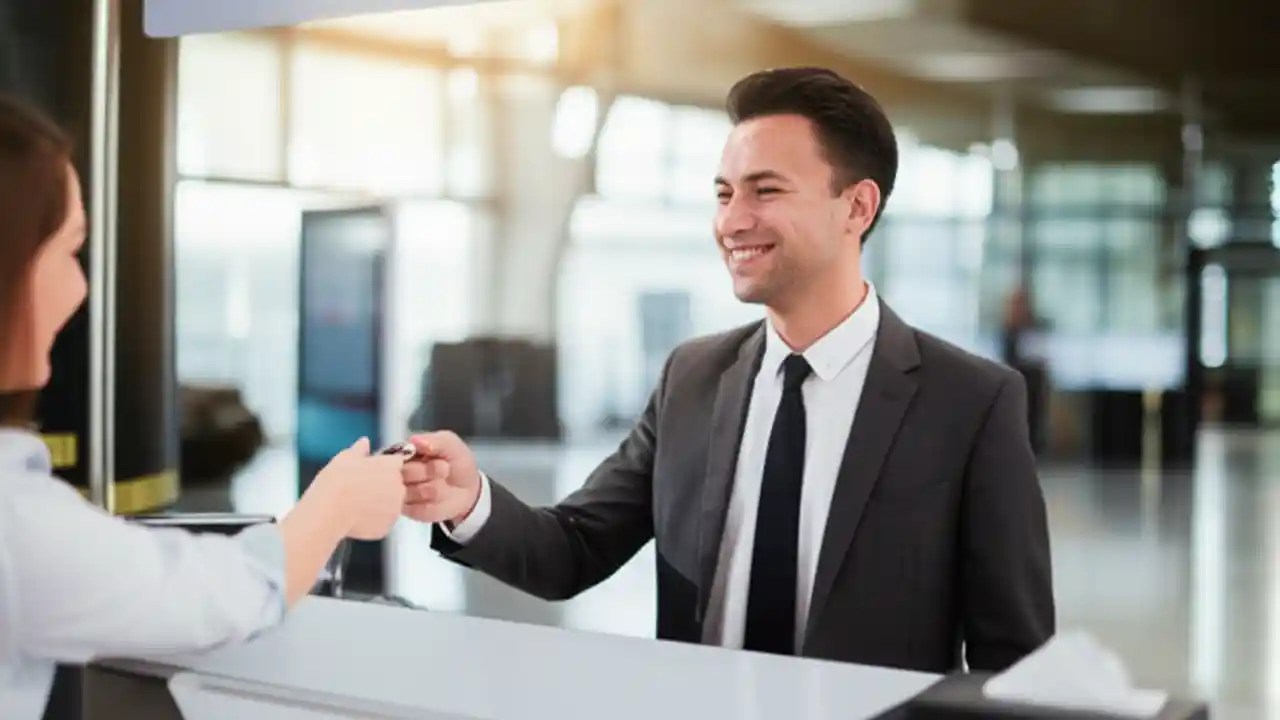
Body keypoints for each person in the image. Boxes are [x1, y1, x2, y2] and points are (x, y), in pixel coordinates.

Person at [400, 68, 1054, 673]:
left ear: (856, 207)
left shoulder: (969, 403)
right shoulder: (693, 378)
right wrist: (468, 501)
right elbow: (574, 548)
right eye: (723, 194)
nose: (732, 222)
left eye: (765, 191)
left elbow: (1014, 665)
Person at [0, 95, 408, 718]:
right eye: (69, 251)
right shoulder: (17, 528)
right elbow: (221, 596)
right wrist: (337, 506)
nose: (81, 287)